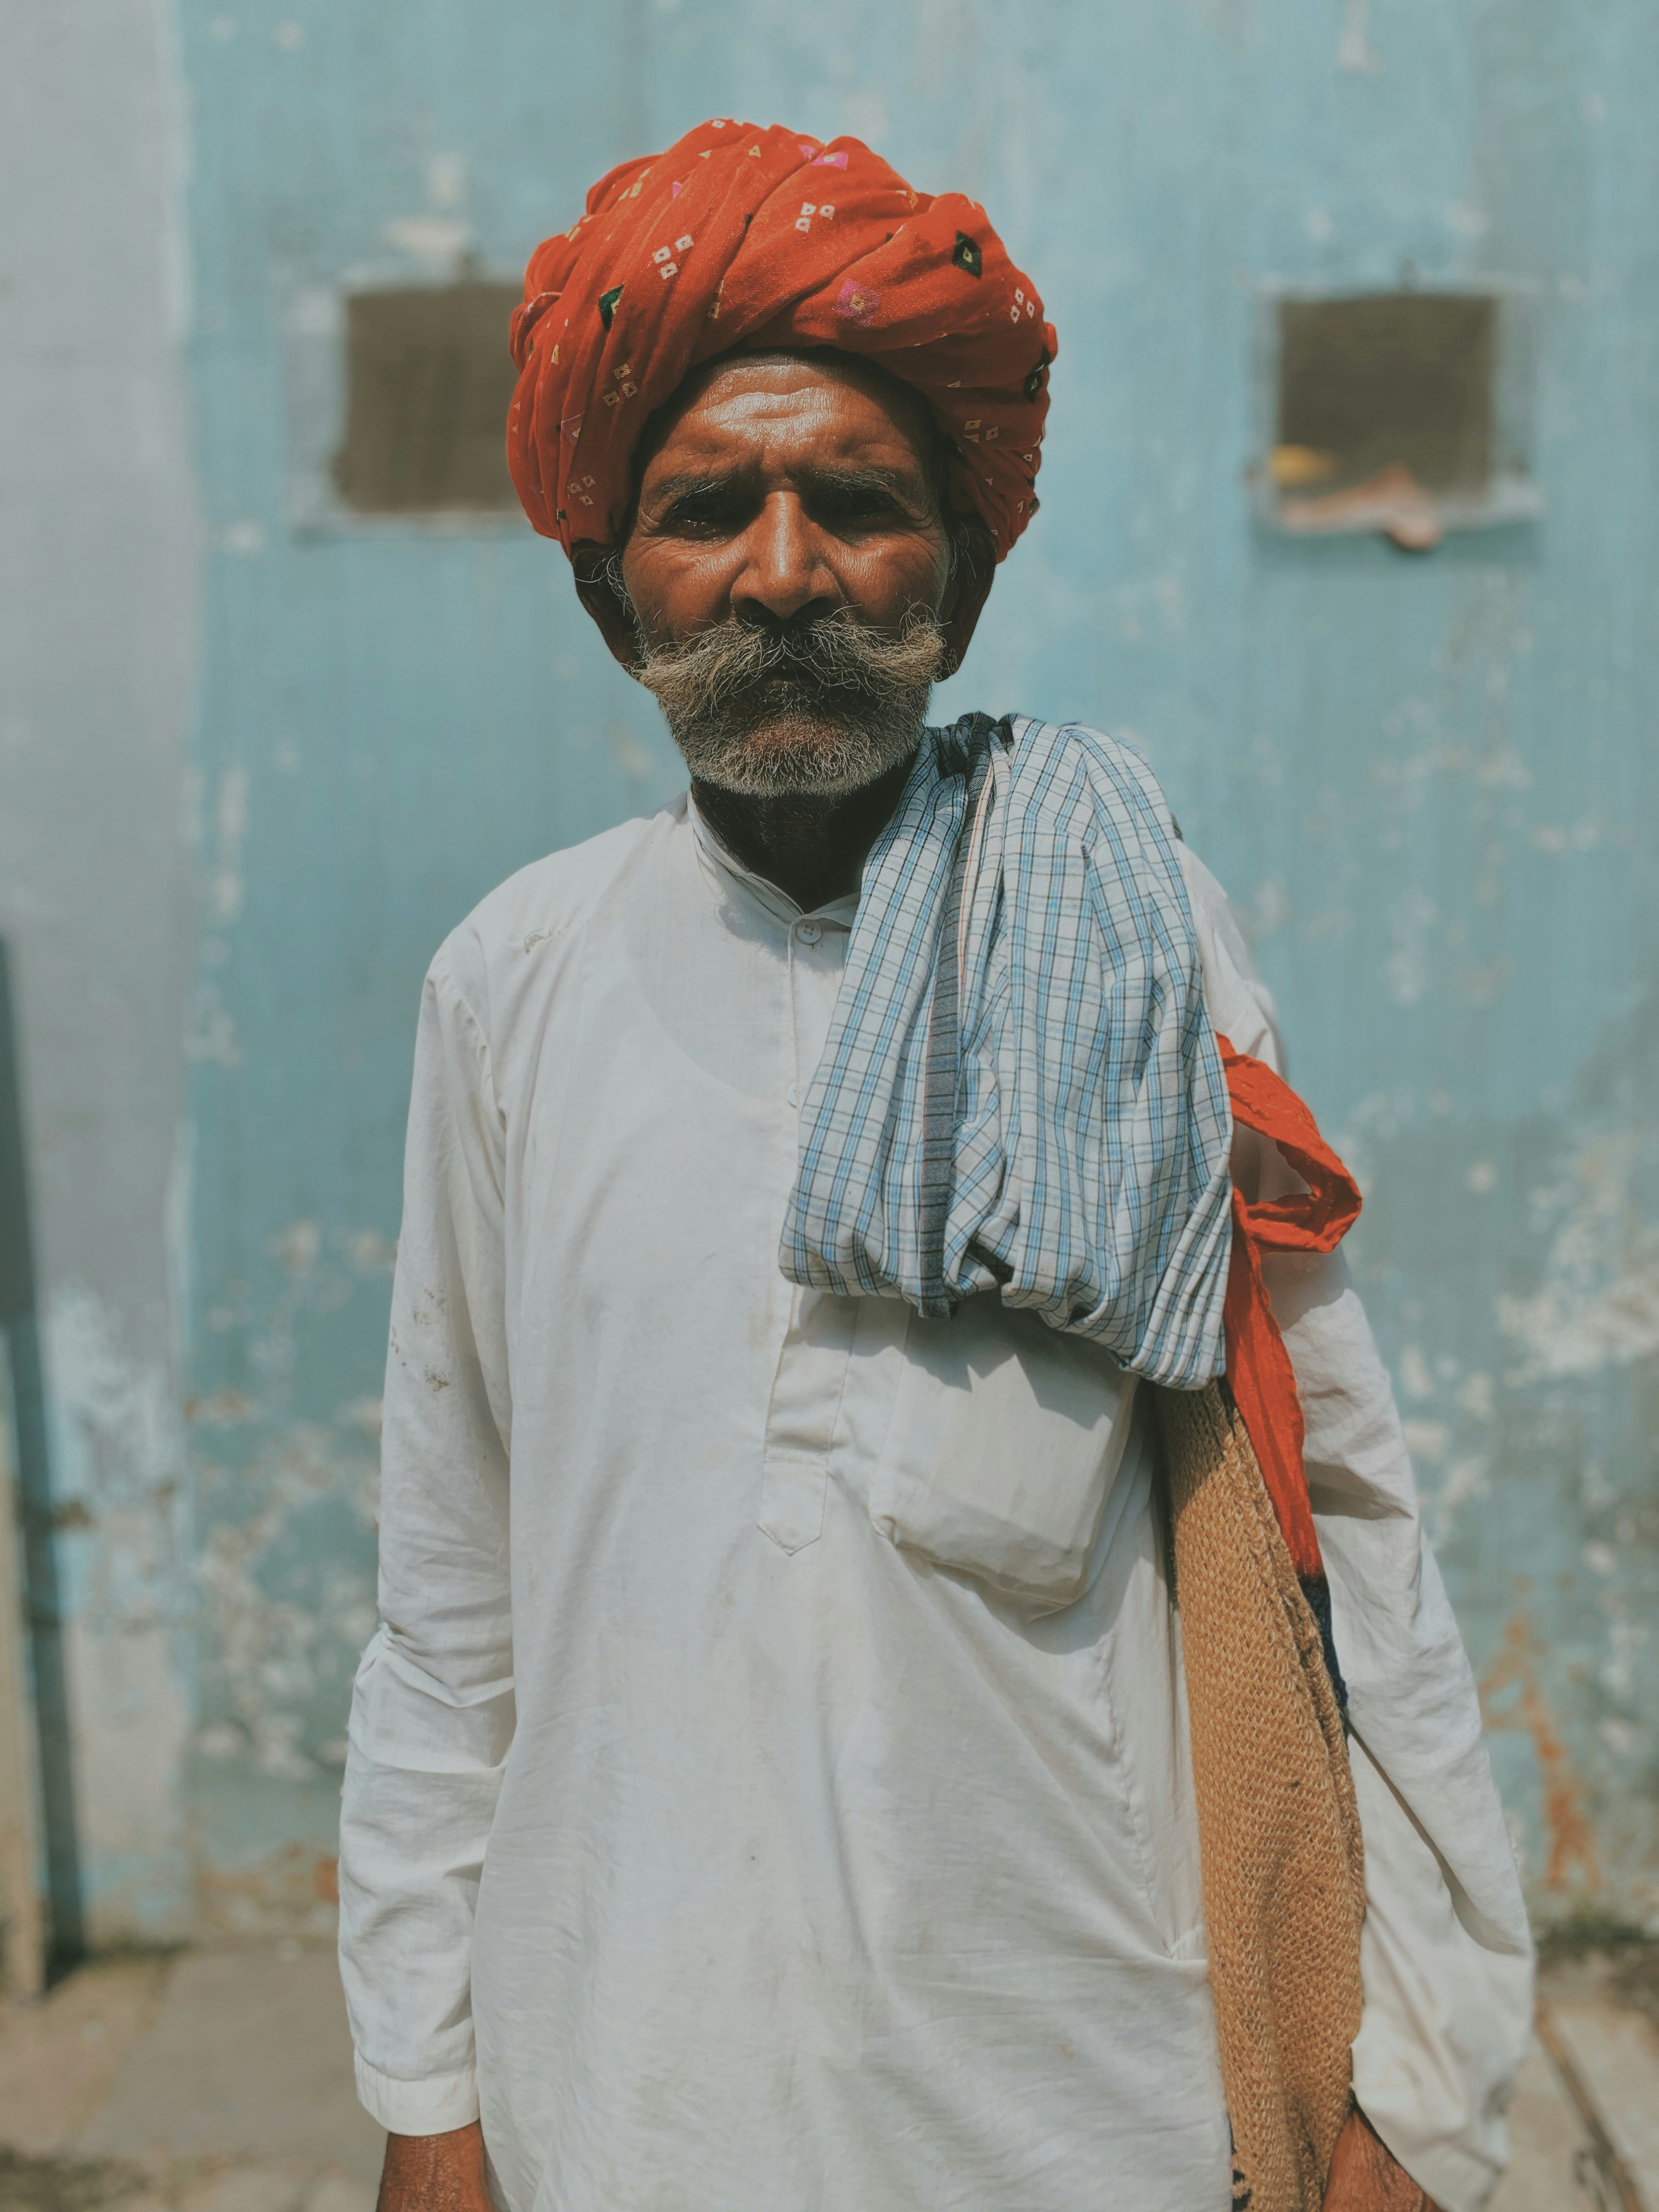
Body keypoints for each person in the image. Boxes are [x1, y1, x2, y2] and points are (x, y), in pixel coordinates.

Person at [338, 121, 1533, 2212]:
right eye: (709, 510)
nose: (786, 574)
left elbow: (1334, 1510)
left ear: (959, 586)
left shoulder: (1133, 918)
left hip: (1082, 2082)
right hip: (621, 2081)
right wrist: (429, 2100)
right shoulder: (510, 989)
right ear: (614, 594)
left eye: (861, 509)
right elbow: (449, 1604)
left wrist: (1403, 2086)